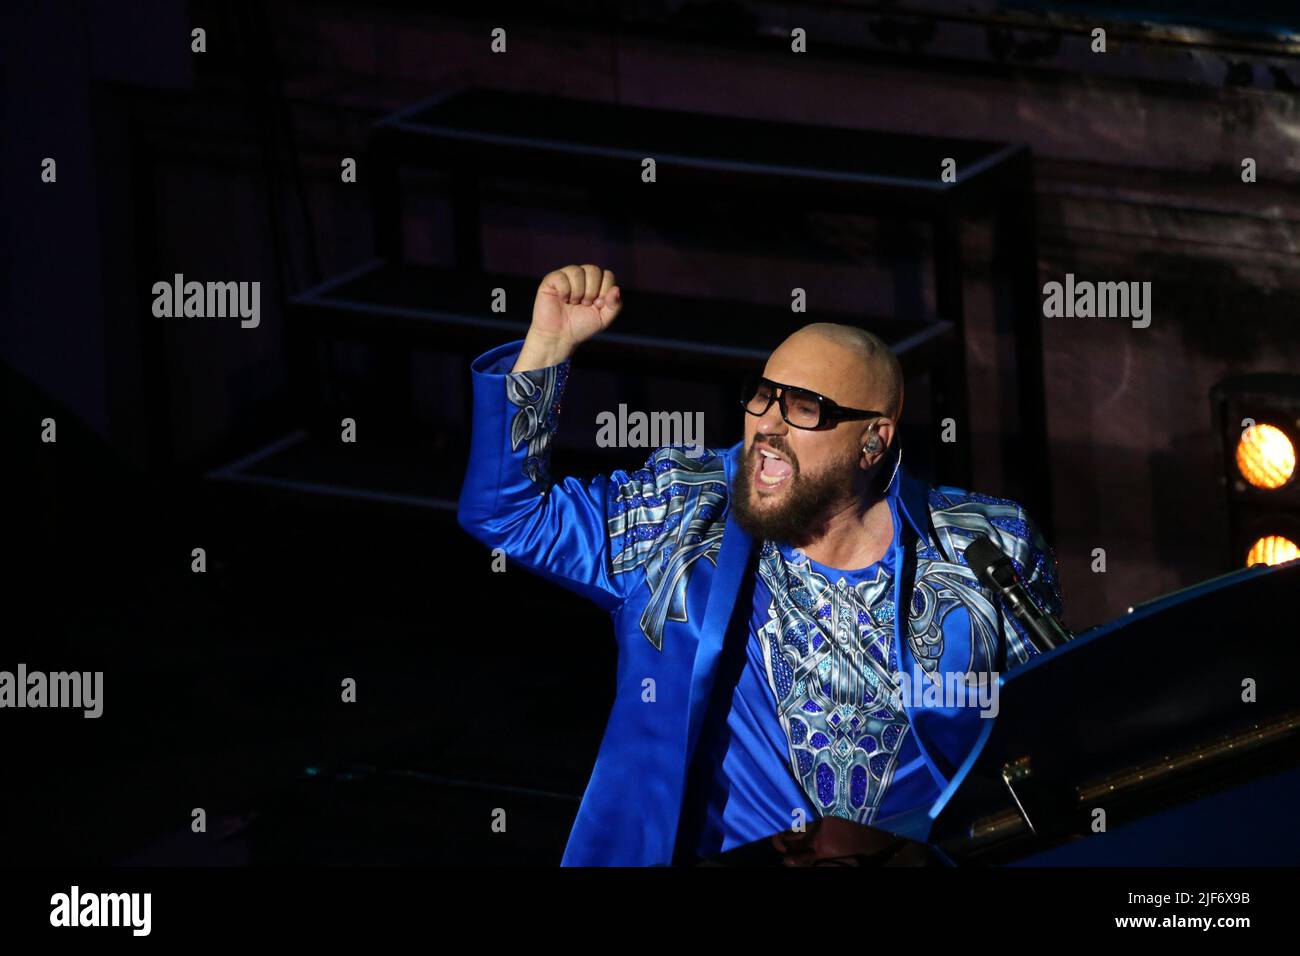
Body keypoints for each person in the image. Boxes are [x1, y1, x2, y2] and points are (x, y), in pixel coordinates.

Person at [457, 263, 1064, 866]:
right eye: (763, 395)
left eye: (804, 407)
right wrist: (547, 349)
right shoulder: (681, 514)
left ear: (873, 441)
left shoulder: (981, 545)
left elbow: (1046, 737)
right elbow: (508, 516)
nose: (767, 424)